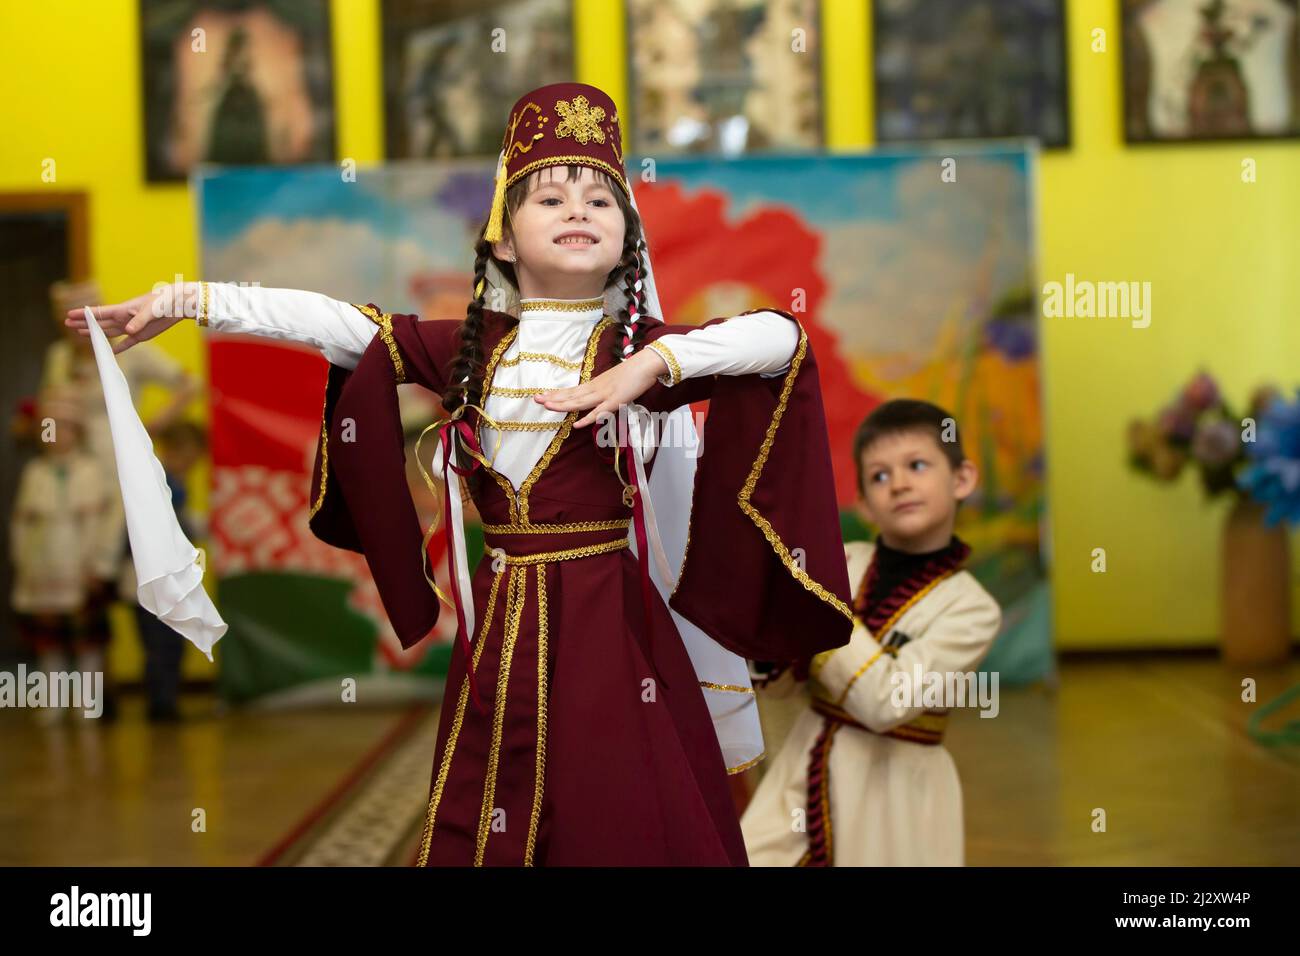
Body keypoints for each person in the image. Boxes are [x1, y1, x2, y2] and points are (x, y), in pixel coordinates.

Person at [65, 82, 853, 866]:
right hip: (505, 626)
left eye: (600, 200)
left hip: (612, 627)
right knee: (488, 811)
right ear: (503, 240)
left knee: (619, 813)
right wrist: (191, 298)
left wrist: (650, 364)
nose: (578, 210)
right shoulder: (470, 347)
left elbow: (780, 340)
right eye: (549, 198)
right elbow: (341, 326)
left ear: (626, 240)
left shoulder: (638, 348)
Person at [740, 399, 1002, 866]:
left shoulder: (972, 609)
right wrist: (768, 646)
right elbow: (785, 687)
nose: (899, 483)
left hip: (899, 790)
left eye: (917, 466)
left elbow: (888, 702)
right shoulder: (841, 562)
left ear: (962, 479)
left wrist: (821, 613)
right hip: (805, 767)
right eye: (880, 476)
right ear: (864, 503)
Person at [10, 386, 113, 725]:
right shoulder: (34, 473)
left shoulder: (90, 471)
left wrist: (99, 563)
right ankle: (53, 700)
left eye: (63, 427)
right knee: (49, 641)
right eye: (48, 427)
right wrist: (22, 561)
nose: (55, 435)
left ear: (78, 431)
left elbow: (103, 522)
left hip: (79, 565)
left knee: (86, 641)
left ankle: (88, 701)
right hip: (42, 566)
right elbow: (21, 524)